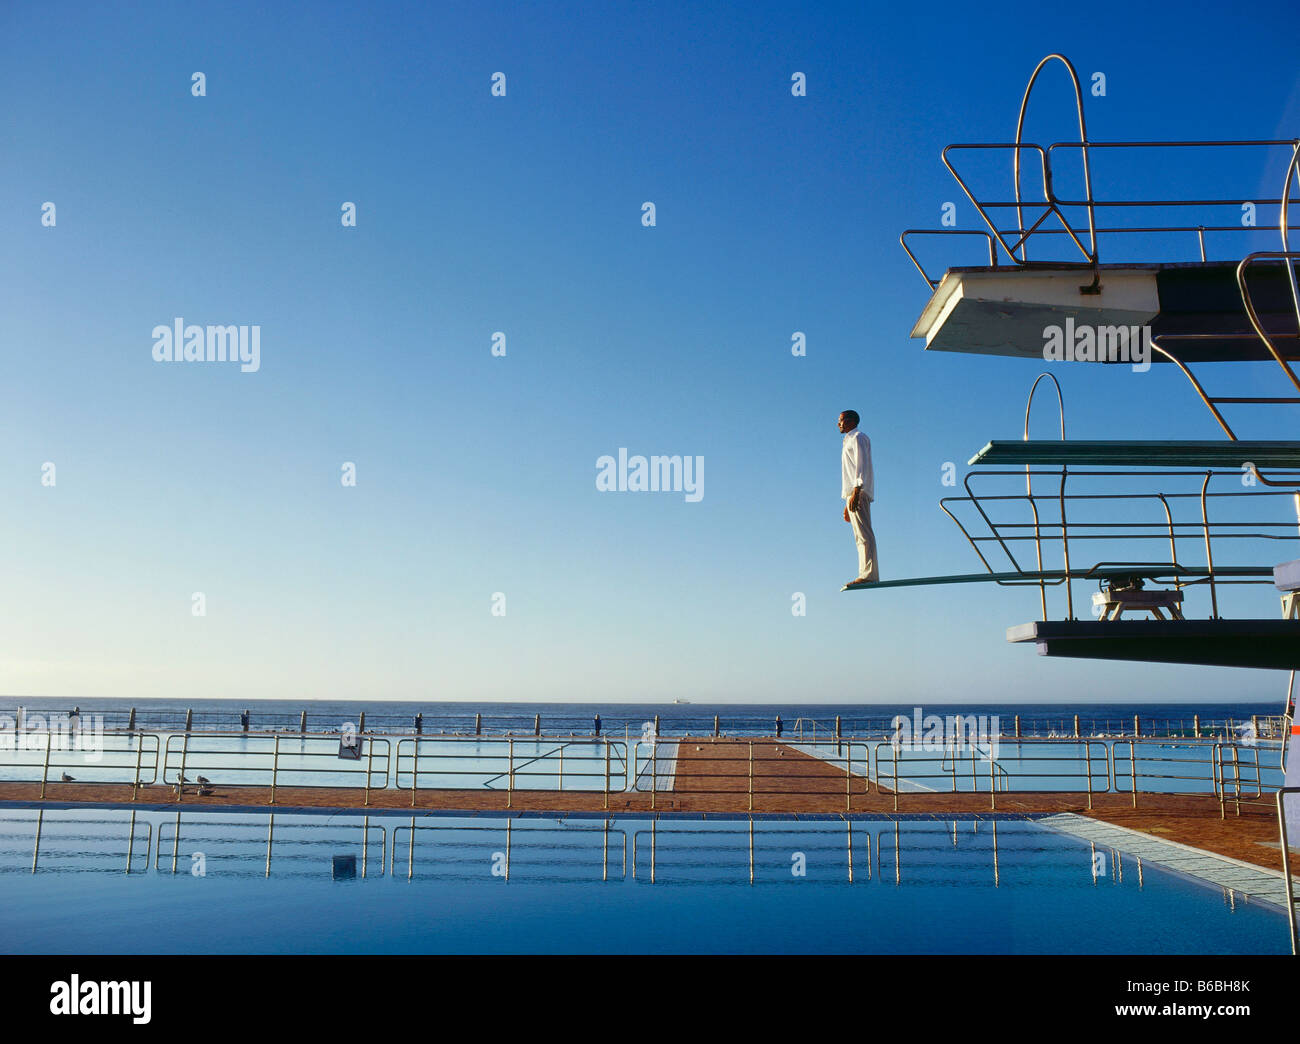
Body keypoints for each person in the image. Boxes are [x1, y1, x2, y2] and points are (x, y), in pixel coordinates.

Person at [838, 410, 879, 585]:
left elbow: (861, 464)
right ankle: (865, 573)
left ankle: (869, 575)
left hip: (858, 491)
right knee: (858, 536)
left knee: (864, 534)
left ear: (851, 421)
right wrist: (847, 502)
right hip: (853, 493)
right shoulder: (847, 439)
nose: (838, 424)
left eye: (841, 421)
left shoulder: (859, 437)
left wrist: (857, 489)